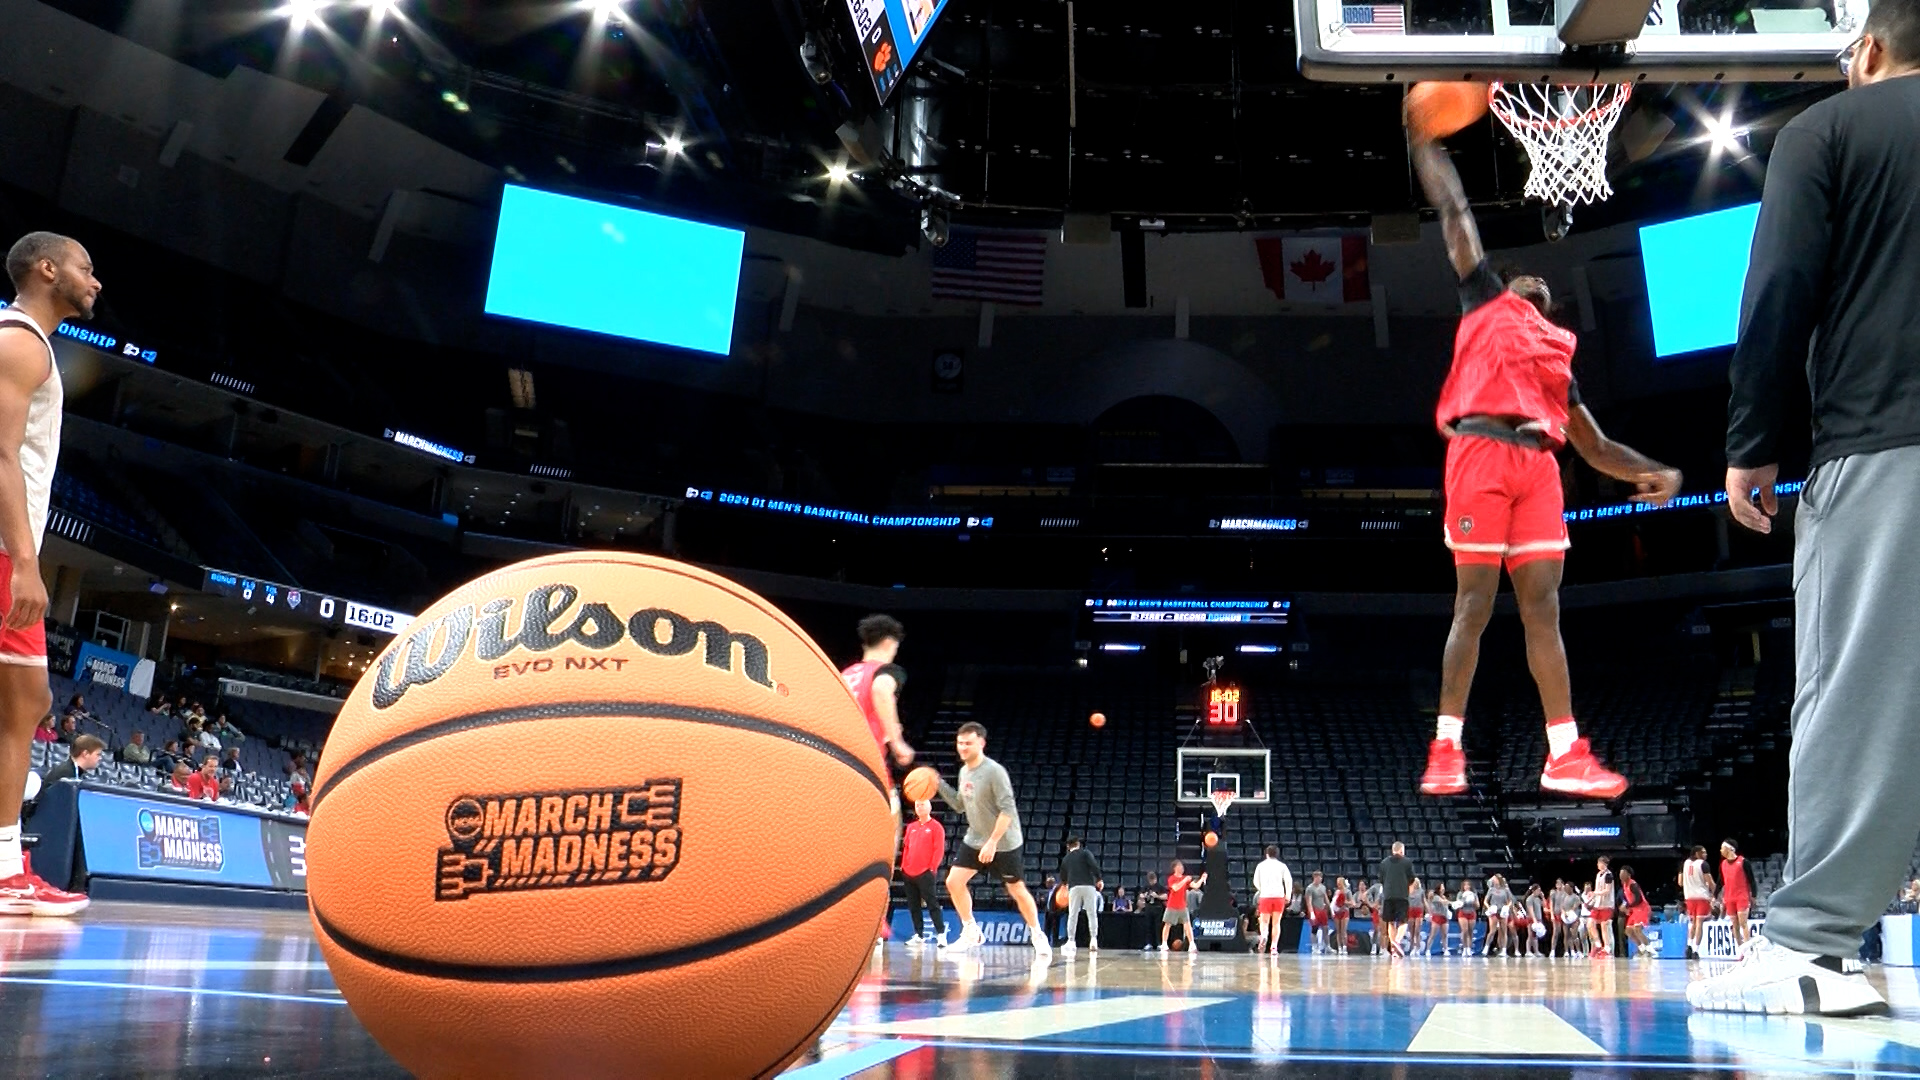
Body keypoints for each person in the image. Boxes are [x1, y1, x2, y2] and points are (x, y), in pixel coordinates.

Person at [1696, 0, 1920, 1020]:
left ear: (1870, 47)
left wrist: (1753, 440)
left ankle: (1812, 946)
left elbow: (1780, 284)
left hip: (1885, 444)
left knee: (1854, 691)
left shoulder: (1824, 132)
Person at [1405, 121, 1682, 801]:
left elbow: (1593, 445)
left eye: (1540, 284)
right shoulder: (1486, 299)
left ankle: (1564, 752)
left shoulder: (1557, 352)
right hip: (1479, 452)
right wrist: (1425, 148)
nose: (1530, 279)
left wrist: (1657, 471)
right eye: (1523, 274)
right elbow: (1456, 214)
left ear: (1550, 306)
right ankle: (1446, 745)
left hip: (1539, 470)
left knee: (1544, 611)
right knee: (1473, 605)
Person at [0, 233, 97, 919]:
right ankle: (6, 871)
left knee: (18, 709)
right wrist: (27, 565)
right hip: (5, 553)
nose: (96, 281)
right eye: (85, 269)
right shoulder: (23, 342)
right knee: (24, 708)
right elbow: (2, 457)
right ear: (47, 269)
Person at [935, 722, 1048, 958]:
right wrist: (938, 784)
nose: (963, 747)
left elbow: (1008, 810)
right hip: (976, 838)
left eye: (968, 743)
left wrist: (993, 842)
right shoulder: (964, 771)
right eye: (960, 743)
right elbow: (958, 805)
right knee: (953, 881)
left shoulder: (995, 772)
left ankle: (1037, 934)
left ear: (981, 743)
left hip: (1004, 842)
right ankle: (971, 932)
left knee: (1016, 889)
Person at [899, 798, 947, 948]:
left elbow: (938, 850)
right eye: (917, 805)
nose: (920, 808)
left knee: (932, 904)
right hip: (909, 871)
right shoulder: (911, 827)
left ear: (929, 807)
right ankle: (919, 934)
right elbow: (906, 847)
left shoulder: (936, 827)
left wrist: (932, 868)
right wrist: (903, 865)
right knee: (913, 905)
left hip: (925, 872)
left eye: (923, 805)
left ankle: (941, 934)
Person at [1056, 836, 1105, 957]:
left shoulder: (1066, 858)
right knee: (1092, 914)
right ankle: (1093, 940)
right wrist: (1099, 878)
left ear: (1068, 846)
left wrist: (1065, 883)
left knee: (1073, 914)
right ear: (1078, 844)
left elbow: (1063, 875)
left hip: (1074, 887)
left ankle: (1071, 941)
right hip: (1089, 886)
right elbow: (1094, 866)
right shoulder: (1086, 853)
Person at [1158, 859, 1206, 957]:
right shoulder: (1172, 878)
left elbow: (1195, 886)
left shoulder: (1185, 878)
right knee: (1167, 924)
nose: (1182, 868)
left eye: (1182, 866)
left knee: (1187, 925)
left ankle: (1192, 944)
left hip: (1182, 906)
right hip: (1172, 905)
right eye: (1180, 866)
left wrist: (1202, 878)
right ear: (1175, 868)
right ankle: (1164, 944)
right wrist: (1184, 880)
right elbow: (1175, 888)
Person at [1253, 845, 1295, 955]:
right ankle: (1274, 947)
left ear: (1266, 854)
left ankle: (1264, 936)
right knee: (1276, 923)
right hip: (1278, 896)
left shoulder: (1261, 866)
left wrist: (1262, 890)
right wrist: (1288, 895)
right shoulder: (1282, 866)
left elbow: (1255, 881)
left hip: (1265, 896)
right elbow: (1288, 881)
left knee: (1264, 921)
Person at [1681, 846, 1714, 960]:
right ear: (1696, 853)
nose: (1705, 854)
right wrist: (1714, 894)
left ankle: (1689, 945)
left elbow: (1680, 882)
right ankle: (1695, 950)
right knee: (1699, 923)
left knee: (1693, 923)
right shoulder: (1703, 864)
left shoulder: (1685, 863)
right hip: (1701, 896)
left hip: (1689, 897)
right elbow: (1710, 882)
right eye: (1703, 852)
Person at [1718, 840, 1753, 949]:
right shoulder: (1723, 864)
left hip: (1742, 896)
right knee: (1735, 926)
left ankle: (1748, 949)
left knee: (1743, 923)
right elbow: (1720, 881)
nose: (1720, 850)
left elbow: (1751, 880)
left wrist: (1754, 895)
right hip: (1729, 898)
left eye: (1722, 848)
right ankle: (1741, 950)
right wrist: (1714, 895)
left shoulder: (1743, 862)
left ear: (1729, 849)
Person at [1620, 867, 1655, 958]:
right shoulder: (1624, 884)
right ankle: (1642, 949)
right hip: (1635, 909)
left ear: (1628, 875)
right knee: (1628, 931)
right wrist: (1625, 906)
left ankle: (1651, 950)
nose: (1621, 875)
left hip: (1642, 908)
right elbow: (1628, 899)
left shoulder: (1633, 884)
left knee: (1637, 929)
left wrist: (1627, 906)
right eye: (1620, 873)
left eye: (1623, 873)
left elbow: (1638, 899)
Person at [1591, 857, 1617, 958]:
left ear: (1604, 864)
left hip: (1606, 904)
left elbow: (1607, 890)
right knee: (1590, 923)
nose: (1597, 864)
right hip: (1598, 904)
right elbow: (1597, 889)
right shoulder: (1598, 874)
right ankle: (1598, 944)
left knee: (1605, 927)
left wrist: (1595, 893)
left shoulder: (1608, 875)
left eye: (1599, 863)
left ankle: (1607, 948)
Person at [1303, 871, 1333, 955]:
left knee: (1326, 928)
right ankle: (1314, 947)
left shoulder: (1323, 887)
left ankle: (1328, 947)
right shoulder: (1310, 888)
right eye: (1318, 877)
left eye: (1320, 877)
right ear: (1314, 878)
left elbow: (1326, 898)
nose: (1319, 879)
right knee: (1314, 929)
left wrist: (1331, 909)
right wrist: (1311, 913)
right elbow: (1309, 901)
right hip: (1315, 909)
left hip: (1322, 910)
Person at [1485, 875, 1514, 957]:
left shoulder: (1505, 890)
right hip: (1494, 911)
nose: (1494, 880)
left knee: (1504, 931)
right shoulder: (1491, 889)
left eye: (1495, 879)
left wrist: (1507, 907)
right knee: (1492, 930)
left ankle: (1504, 950)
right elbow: (1486, 901)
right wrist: (1489, 907)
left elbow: (1510, 901)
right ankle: (1486, 947)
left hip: (1503, 911)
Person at [1331, 877, 1353, 955]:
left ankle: (1344, 947)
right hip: (1337, 913)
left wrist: (1344, 902)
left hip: (1344, 912)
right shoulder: (1336, 891)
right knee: (1338, 931)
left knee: (1343, 931)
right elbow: (1334, 902)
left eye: (1339, 882)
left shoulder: (1348, 892)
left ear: (1343, 882)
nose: (1338, 884)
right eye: (1337, 882)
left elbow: (1352, 903)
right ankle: (1339, 948)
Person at [1407, 876, 1427, 956]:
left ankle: (1417, 948)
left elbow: (1424, 901)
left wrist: (1428, 911)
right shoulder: (1408, 890)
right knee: (1411, 932)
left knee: (1417, 931)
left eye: (1416, 882)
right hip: (1410, 911)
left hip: (1418, 911)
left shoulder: (1421, 891)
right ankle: (1412, 948)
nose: (1415, 883)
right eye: (1414, 882)